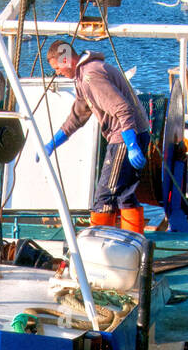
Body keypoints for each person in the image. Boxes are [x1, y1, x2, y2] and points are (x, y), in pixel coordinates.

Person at [42, 39, 151, 234]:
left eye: (57, 67)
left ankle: (101, 246)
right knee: (125, 194)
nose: (57, 72)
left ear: (67, 59)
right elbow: (78, 115)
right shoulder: (82, 77)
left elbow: (122, 109)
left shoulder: (90, 76)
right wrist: (52, 144)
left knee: (104, 195)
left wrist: (132, 145)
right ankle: (134, 242)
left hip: (125, 136)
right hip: (132, 134)